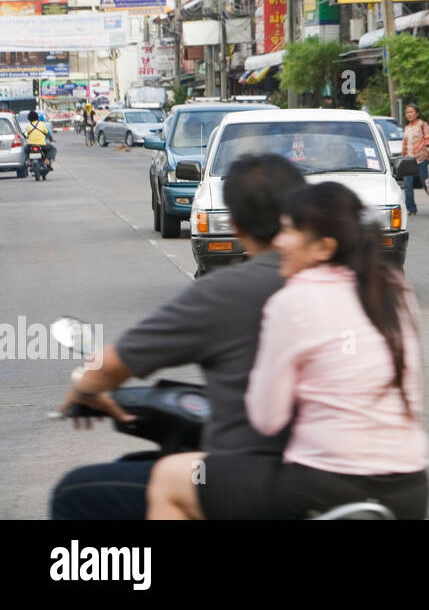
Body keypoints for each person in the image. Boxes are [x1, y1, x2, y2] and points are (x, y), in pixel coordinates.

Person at [145, 182, 429, 519]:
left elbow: (267, 419)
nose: (278, 242)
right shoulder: (394, 288)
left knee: (168, 477)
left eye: (290, 231)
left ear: (324, 247)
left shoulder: (292, 300)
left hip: (322, 487)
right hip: (411, 490)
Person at [50, 154, 308, 519]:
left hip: (259, 482)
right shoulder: (353, 283)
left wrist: (85, 386)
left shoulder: (227, 290)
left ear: (234, 223)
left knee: (76, 491)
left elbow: (110, 365)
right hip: (369, 478)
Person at [401, 104, 429, 215]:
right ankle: (411, 209)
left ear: (417, 113)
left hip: (421, 159)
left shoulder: (422, 125)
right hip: (409, 160)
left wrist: (428, 152)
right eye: (407, 112)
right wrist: (402, 156)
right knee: (407, 185)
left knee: (426, 184)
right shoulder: (406, 127)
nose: (409, 114)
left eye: (411, 112)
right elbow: (405, 144)